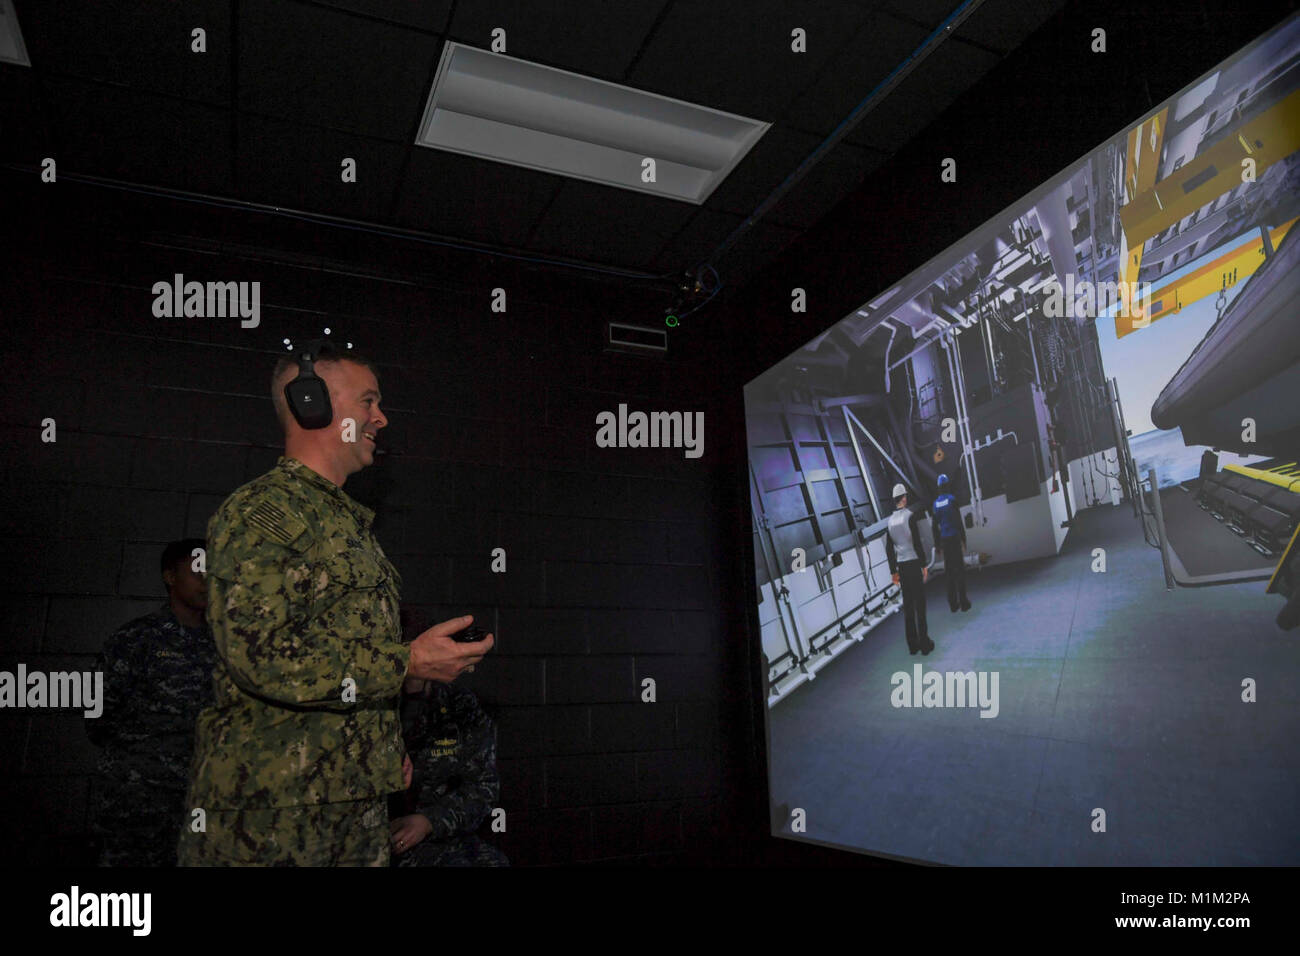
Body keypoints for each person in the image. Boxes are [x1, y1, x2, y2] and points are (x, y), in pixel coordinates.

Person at [177, 342, 495, 866]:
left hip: (352, 807)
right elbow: (263, 656)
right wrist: (406, 662)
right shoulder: (264, 509)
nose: (381, 417)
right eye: (368, 401)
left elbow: (342, 661)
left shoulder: (347, 523)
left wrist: (387, 734)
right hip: (276, 819)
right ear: (311, 402)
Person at [86, 537, 220, 866]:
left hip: (201, 798)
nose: (206, 582)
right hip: (140, 800)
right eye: (196, 572)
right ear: (170, 577)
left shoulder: (224, 646)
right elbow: (99, 716)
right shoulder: (136, 640)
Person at [391, 650, 508, 867]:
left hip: (442, 833)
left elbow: (483, 788)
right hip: (378, 839)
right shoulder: (373, 709)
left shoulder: (459, 704)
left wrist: (429, 822)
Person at [885, 482, 933, 655]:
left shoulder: (889, 522)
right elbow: (917, 543)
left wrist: (893, 571)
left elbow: (889, 549)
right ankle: (925, 644)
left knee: (908, 606)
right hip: (913, 564)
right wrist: (924, 565)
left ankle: (912, 646)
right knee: (920, 605)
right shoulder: (909, 516)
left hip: (902, 567)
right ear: (904, 498)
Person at [932, 473, 972, 613]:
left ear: (938, 488)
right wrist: (963, 540)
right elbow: (958, 522)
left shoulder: (936, 503)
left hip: (944, 541)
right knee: (959, 571)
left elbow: (934, 527)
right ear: (947, 486)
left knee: (949, 573)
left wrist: (937, 545)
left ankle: (953, 605)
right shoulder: (952, 500)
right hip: (954, 539)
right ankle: (964, 603)